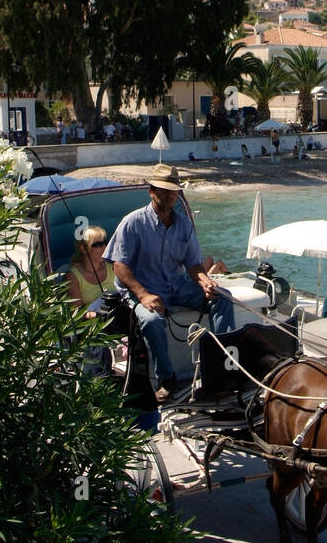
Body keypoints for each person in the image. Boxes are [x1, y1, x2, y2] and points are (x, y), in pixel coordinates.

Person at [104, 165, 235, 401]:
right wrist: (143, 295)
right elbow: (119, 266)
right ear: (151, 191)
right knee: (152, 321)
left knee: (223, 298)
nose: (170, 196)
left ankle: (220, 367)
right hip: (143, 289)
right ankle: (166, 379)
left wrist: (206, 282)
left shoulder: (184, 224)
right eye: (165, 192)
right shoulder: (132, 223)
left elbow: (193, 264)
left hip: (177, 287)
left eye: (174, 192)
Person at [66, 226, 114, 318]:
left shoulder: (112, 267)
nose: (105, 247)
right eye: (98, 244)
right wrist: (99, 315)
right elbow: (76, 314)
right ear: (83, 249)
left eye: (105, 242)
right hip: (94, 326)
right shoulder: (73, 277)